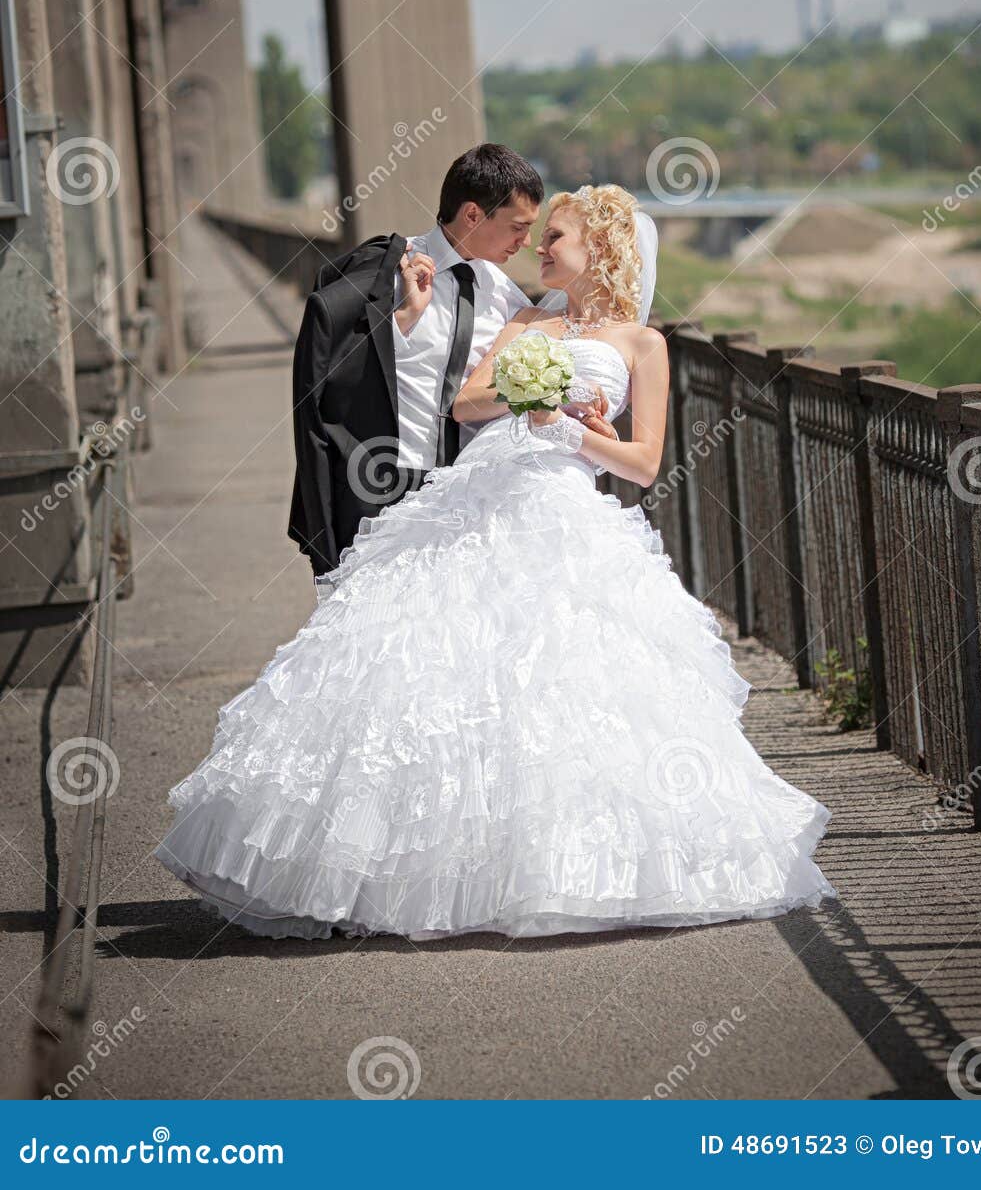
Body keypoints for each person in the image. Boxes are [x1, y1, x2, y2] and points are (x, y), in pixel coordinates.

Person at [155, 184, 837, 941]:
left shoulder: (643, 346)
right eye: (540, 237)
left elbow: (642, 465)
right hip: (481, 490)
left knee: (561, 674)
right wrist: (523, 396)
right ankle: (420, 866)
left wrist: (569, 431)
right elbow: (464, 403)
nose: (541, 249)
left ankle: (566, 867)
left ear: (601, 251)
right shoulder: (529, 318)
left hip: (564, 501)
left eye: (557, 238)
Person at [288, 144, 614, 576]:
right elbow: (328, 378)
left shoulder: (505, 296)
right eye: (518, 227)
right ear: (474, 215)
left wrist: (578, 411)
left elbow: (514, 387)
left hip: (462, 496)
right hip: (375, 483)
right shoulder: (381, 271)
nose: (527, 243)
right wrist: (402, 321)